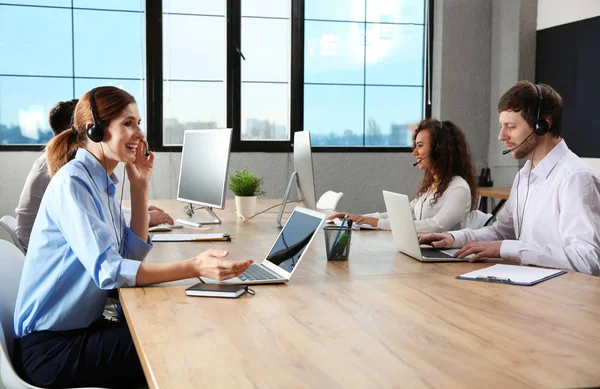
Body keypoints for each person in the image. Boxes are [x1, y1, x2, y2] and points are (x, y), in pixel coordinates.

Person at [12, 86, 253, 388]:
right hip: (49, 349)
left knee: (174, 326)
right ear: (96, 130)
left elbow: (129, 257)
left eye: (138, 123)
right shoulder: (73, 182)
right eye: (128, 123)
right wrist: (194, 267)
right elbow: (109, 271)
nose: (139, 133)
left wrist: (140, 187)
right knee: (181, 341)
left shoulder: (104, 182)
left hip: (77, 331)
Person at [419, 81, 600, 276]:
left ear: (542, 125)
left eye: (511, 126)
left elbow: (588, 259)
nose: (501, 136)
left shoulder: (576, 179)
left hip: (561, 298)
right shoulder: (525, 176)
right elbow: (502, 232)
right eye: (501, 126)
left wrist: (509, 248)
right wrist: (453, 238)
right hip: (528, 289)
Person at [14, 99, 173, 250]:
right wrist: (148, 217)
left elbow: (98, 211)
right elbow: (93, 223)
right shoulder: (66, 169)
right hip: (47, 252)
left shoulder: (79, 164)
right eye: (126, 124)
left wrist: (139, 212)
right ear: (91, 130)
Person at [328, 118, 478, 232]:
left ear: (439, 149)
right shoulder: (431, 185)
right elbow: (407, 212)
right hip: (424, 252)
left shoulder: (458, 188)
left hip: (446, 259)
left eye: (420, 146)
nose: (414, 153)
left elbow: (436, 225)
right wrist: (360, 218)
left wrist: (377, 223)